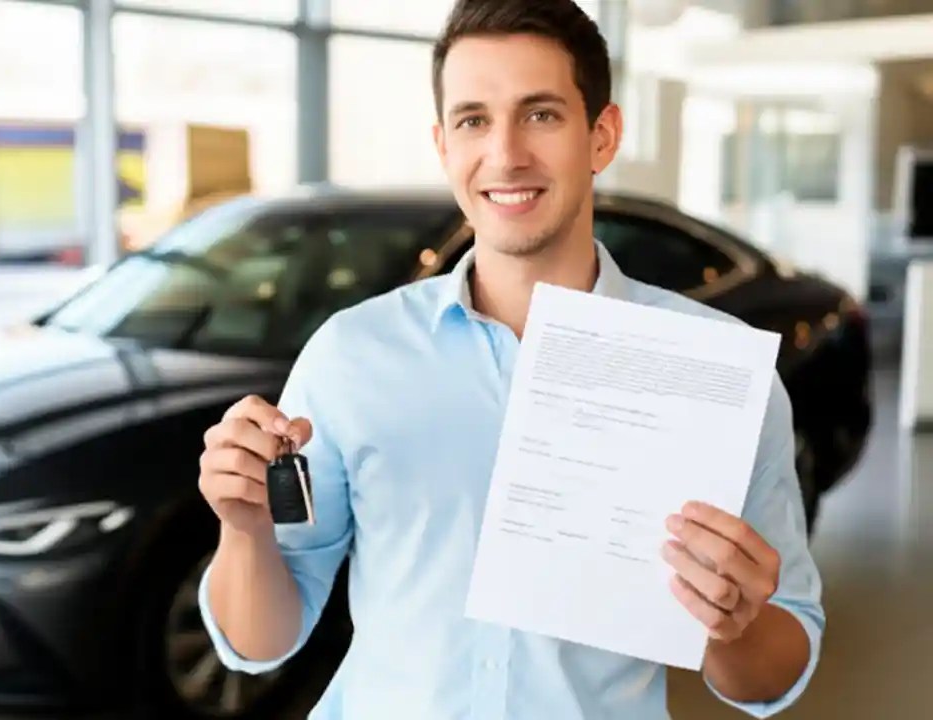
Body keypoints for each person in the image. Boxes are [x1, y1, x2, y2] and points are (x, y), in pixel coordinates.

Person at [194, 1, 824, 717]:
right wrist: (242, 528)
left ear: (602, 134)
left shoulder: (714, 374)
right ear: (443, 144)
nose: (505, 154)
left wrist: (735, 625)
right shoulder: (351, 356)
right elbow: (261, 641)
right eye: (473, 120)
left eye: (542, 114)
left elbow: (774, 675)